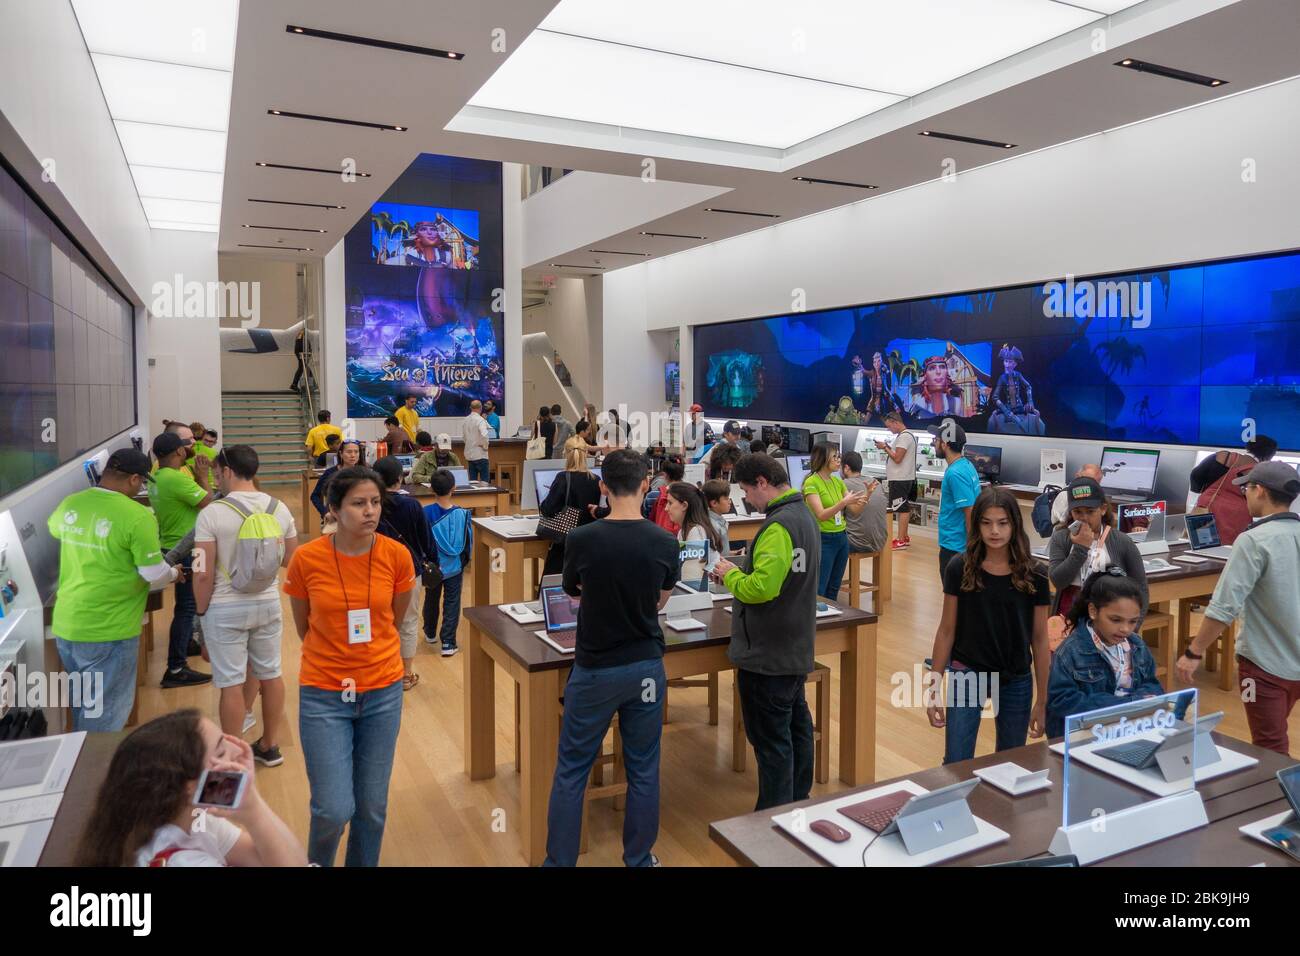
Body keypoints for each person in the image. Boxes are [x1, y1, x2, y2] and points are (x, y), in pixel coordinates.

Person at [544, 449, 678, 867]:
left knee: (572, 770)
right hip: (645, 667)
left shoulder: (582, 538)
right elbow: (660, 601)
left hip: (595, 667)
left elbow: (571, 591)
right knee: (643, 768)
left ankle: (559, 862)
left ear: (602, 486)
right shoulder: (665, 541)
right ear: (645, 486)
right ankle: (639, 859)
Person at [283, 466, 415, 866]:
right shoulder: (306, 560)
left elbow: (394, 617)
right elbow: (305, 626)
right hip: (325, 693)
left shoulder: (396, 555)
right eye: (358, 503)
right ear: (334, 509)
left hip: (382, 691)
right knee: (332, 809)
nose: (370, 511)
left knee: (372, 808)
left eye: (375, 502)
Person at [711, 453, 820, 810]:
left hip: (766, 653)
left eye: (746, 491)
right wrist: (743, 567)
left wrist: (730, 575)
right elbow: (783, 571)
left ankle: (773, 818)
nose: (746, 501)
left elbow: (761, 588)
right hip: (794, 646)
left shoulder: (777, 526)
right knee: (797, 731)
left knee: (772, 742)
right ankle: (797, 803)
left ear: (761, 482)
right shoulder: (804, 515)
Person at [48, 449, 179, 731]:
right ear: (134, 479)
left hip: (68, 625)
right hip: (110, 629)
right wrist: (175, 573)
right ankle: (96, 774)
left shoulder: (71, 503)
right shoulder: (137, 516)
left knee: (83, 707)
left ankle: (82, 771)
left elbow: (56, 530)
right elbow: (154, 575)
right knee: (105, 719)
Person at [76, 709, 307, 867]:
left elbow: (284, 861)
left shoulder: (190, 818)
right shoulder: (184, 860)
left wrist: (253, 808)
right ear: (190, 786)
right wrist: (254, 810)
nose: (239, 751)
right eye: (221, 752)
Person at [1176, 460, 1300, 754]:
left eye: (1246, 489)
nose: (1244, 495)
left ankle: (1274, 798)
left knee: (1269, 748)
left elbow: (1223, 606)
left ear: (1259, 491)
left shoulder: (1253, 541)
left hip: (1264, 665)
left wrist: (1194, 651)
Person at [927, 487, 1050, 764]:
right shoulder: (959, 567)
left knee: (1010, 763)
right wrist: (933, 688)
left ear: (1015, 525)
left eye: (1002, 523)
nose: (995, 531)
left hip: (1016, 677)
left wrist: (1042, 700)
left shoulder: (1036, 574)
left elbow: (1040, 639)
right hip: (967, 672)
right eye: (986, 523)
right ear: (976, 526)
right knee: (957, 762)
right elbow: (946, 630)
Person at [192, 446, 297, 766]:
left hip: (224, 608)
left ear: (226, 471)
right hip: (267, 602)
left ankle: (233, 756)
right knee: (271, 674)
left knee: (231, 683)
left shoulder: (212, 513)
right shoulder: (279, 509)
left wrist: (200, 615)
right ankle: (270, 745)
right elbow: (292, 559)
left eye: (216, 473)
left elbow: (202, 572)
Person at [1046, 570, 1164, 737]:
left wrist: (1142, 701)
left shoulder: (1137, 646)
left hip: (1126, 731)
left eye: (1133, 621)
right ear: (1093, 611)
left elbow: (1153, 685)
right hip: (1081, 738)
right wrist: (1125, 704)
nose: (1125, 629)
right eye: (1116, 620)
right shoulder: (1070, 652)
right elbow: (1063, 702)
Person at [149, 431, 214, 688]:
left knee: (184, 605)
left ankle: (186, 643)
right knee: (188, 607)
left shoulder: (156, 477)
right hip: (189, 549)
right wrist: (202, 477)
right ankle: (176, 667)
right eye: (186, 444)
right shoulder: (176, 480)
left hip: (170, 544)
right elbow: (210, 504)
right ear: (178, 451)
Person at [1047, 476, 1147, 621]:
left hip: (1111, 610)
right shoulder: (1061, 537)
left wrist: (1134, 627)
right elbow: (1058, 581)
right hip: (1069, 612)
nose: (1084, 518)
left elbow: (1141, 588)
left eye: (1090, 511)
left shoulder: (1122, 541)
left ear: (1103, 509)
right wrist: (1080, 548)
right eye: (1078, 512)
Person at [373, 455, 434, 690]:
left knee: (379, 621)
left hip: (376, 571)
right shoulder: (411, 505)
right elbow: (426, 539)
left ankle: (380, 670)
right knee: (408, 622)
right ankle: (405, 674)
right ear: (400, 478)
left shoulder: (372, 504)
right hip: (409, 570)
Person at [802, 442, 866, 601]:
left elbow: (855, 510)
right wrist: (844, 503)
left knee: (834, 585)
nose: (839, 460)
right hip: (823, 538)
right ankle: (816, 620)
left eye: (839, 456)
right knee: (820, 586)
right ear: (823, 459)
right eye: (835, 457)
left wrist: (868, 494)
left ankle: (831, 619)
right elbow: (821, 515)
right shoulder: (811, 482)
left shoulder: (837, 481)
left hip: (841, 537)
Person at [423, 468, 473, 657]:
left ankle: (429, 632)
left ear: (431, 490)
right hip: (455, 566)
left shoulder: (425, 513)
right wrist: (464, 561)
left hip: (433, 567)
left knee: (431, 597)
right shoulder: (463, 514)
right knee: (452, 602)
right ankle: (449, 643)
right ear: (454, 487)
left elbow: (423, 540)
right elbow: (468, 541)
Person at [1190, 436, 1278, 544]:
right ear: (1269, 455)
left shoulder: (1224, 456)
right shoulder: (1261, 472)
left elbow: (1195, 475)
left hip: (1206, 508)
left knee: (1200, 547)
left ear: (1248, 446)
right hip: (1237, 516)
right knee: (1226, 553)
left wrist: (1203, 492)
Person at [538, 447, 605, 578]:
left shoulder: (563, 477)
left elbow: (548, 509)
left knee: (554, 579)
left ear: (566, 457)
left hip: (565, 539)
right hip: (590, 539)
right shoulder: (596, 479)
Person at [929, 419, 980, 580]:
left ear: (945, 444)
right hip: (958, 546)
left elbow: (969, 510)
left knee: (954, 598)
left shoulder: (955, 473)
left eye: (936, 440)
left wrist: (973, 550)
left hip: (955, 547)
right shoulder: (966, 465)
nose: (933, 444)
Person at [662, 481, 724, 583]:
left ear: (684, 505)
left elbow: (692, 579)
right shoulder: (684, 531)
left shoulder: (696, 532)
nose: (666, 508)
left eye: (670, 503)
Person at [875, 411, 917, 550]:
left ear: (895, 422)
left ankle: (900, 540)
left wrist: (885, 447)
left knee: (901, 509)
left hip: (900, 479)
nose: (889, 429)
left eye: (889, 426)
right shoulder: (905, 436)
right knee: (903, 507)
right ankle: (903, 536)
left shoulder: (904, 437)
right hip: (903, 478)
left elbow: (897, 458)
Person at [841, 451, 887, 556]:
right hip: (880, 542)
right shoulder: (876, 482)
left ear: (846, 468)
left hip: (856, 543)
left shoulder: (843, 485)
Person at [311, 439, 362, 517]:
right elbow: (314, 496)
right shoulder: (330, 473)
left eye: (356, 452)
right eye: (349, 452)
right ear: (341, 454)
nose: (353, 455)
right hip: (336, 518)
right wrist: (325, 512)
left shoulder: (363, 473)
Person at [908, 354, 965, 418]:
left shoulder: (956, 403)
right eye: (932, 368)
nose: (938, 372)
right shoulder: (918, 404)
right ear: (925, 376)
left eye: (942, 367)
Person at [701, 479, 733, 554]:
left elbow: (720, 552)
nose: (730, 501)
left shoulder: (717, 520)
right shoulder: (712, 525)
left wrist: (731, 553)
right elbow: (713, 556)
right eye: (726, 499)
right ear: (714, 503)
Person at [463, 399, 491, 483]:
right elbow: (485, 434)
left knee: (472, 482)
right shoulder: (480, 420)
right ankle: (485, 496)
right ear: (481, 408)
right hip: (481, 455)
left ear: (470, 408)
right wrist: (485, 446)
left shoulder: (465, 420)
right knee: (485, 483)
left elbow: (464, 437)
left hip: (470, 455)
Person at [290, 326, 306, 391]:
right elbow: (296, 350)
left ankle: (294, 384)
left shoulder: (304, 339)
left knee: (303, 369)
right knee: (302, 369)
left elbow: (309, 349)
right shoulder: (299, 339)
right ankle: (294, 384)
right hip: (302, 357)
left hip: (304, 357)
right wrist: (300, 356)